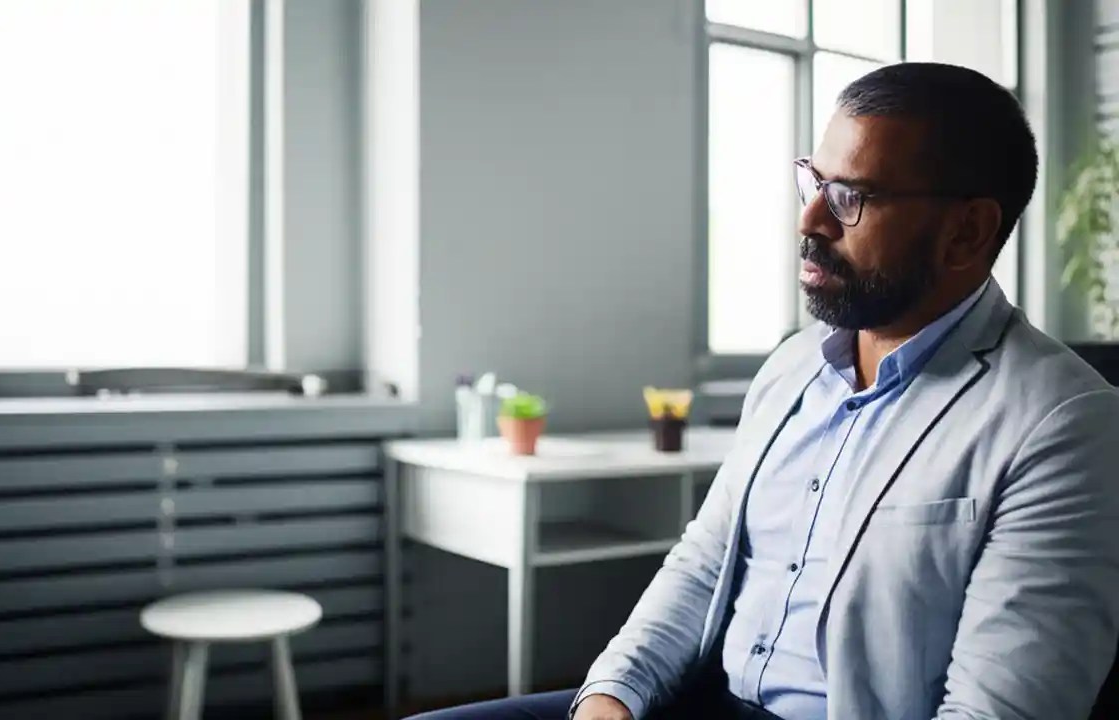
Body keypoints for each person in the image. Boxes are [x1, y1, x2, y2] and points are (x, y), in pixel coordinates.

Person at [407, 62, 1119, 720]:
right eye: (814, 182)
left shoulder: (1063, 424)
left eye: (851, 199)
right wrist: (613, 697)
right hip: (703, 699)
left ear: (967, 232)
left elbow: (1000, 711)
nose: (809, 222)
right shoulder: (793, 368)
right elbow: (704, 560)